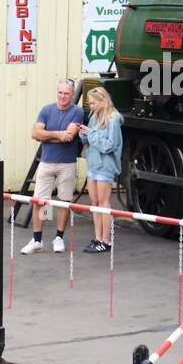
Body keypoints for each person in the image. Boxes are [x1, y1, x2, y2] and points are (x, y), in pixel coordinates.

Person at [21, 79, 84, 255]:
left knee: (64, 201)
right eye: (60, 92)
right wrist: (57, 134)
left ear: (72, 95)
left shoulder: (77, 111)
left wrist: (45, 136)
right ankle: (37, 239)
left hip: (67, 162)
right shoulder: (46, 110)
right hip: (46, 162)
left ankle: (58, 238)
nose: (63, 96)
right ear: (57, 92)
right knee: (40, 201)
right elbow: (35, 133)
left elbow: (69, 136)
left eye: (66, 93)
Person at [76, 86, 122, 254]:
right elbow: (90, 139)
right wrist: (83, 133)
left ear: (103, 101)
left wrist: (90, 134)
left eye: (94, 103)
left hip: (105, 166)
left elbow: (109, 146)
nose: (91, 106)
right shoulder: (94, 116)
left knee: (104, 204)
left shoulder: (114, 119)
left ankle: (106, 241)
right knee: (95, 204)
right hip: (93, 164)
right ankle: (97, 238)